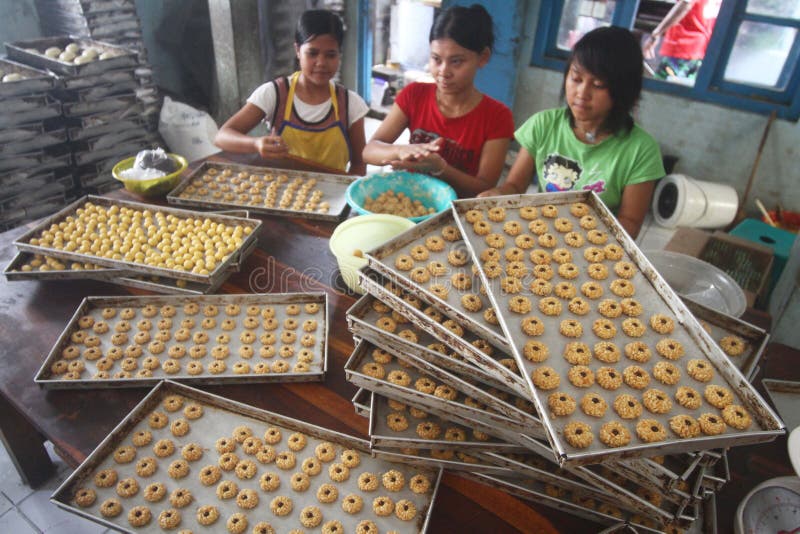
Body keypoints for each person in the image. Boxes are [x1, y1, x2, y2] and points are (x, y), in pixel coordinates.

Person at [478, 26, 664, 239]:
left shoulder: (640, 150)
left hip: (597, 246)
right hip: (541, 236)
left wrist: (586, 239)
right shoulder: (543, 125)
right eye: (576, 79)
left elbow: (629, 222)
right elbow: (515, 185)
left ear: (623, 90)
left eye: (598, 85)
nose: (582, 93)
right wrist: (498, 194)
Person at [362, 4, 514, 198]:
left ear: (482, 58)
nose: (444, 71)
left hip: (456, 213)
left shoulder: (497, 117)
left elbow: (483, 189)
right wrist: (399, 150)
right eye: (436, 59)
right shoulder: (415, 94)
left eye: (456, 61)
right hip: (409, 200)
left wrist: (441, 168)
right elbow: (369, 150)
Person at [215, 9, 368, 174]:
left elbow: (359, 164)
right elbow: (222, 136)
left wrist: (347, 195)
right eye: (312, 53)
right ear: (297, 50)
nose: (321, 63)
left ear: (339, 55)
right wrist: (256, 144)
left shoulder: (349, 104)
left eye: (330, 55)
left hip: (333, 196)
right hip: (285, 192)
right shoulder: (275, 94)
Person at [643, 0, 722, 82]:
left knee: (660, 89)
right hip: (700, 48)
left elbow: (685, 3)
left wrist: (657, 33)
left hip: (683, 45)